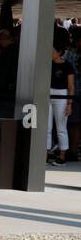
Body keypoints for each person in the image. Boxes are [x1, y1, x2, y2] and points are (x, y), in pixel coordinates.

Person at [48, 29, 74, 166]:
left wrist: (70, 103)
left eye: (52, 50)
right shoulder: (47, 64)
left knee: (61, 126)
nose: (50, 53)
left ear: (59, 52)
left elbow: (71, 86)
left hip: (62, 95)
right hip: (48, 94)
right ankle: (45, 153)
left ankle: (63, 155)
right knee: (46, 126)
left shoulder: (67, 66)